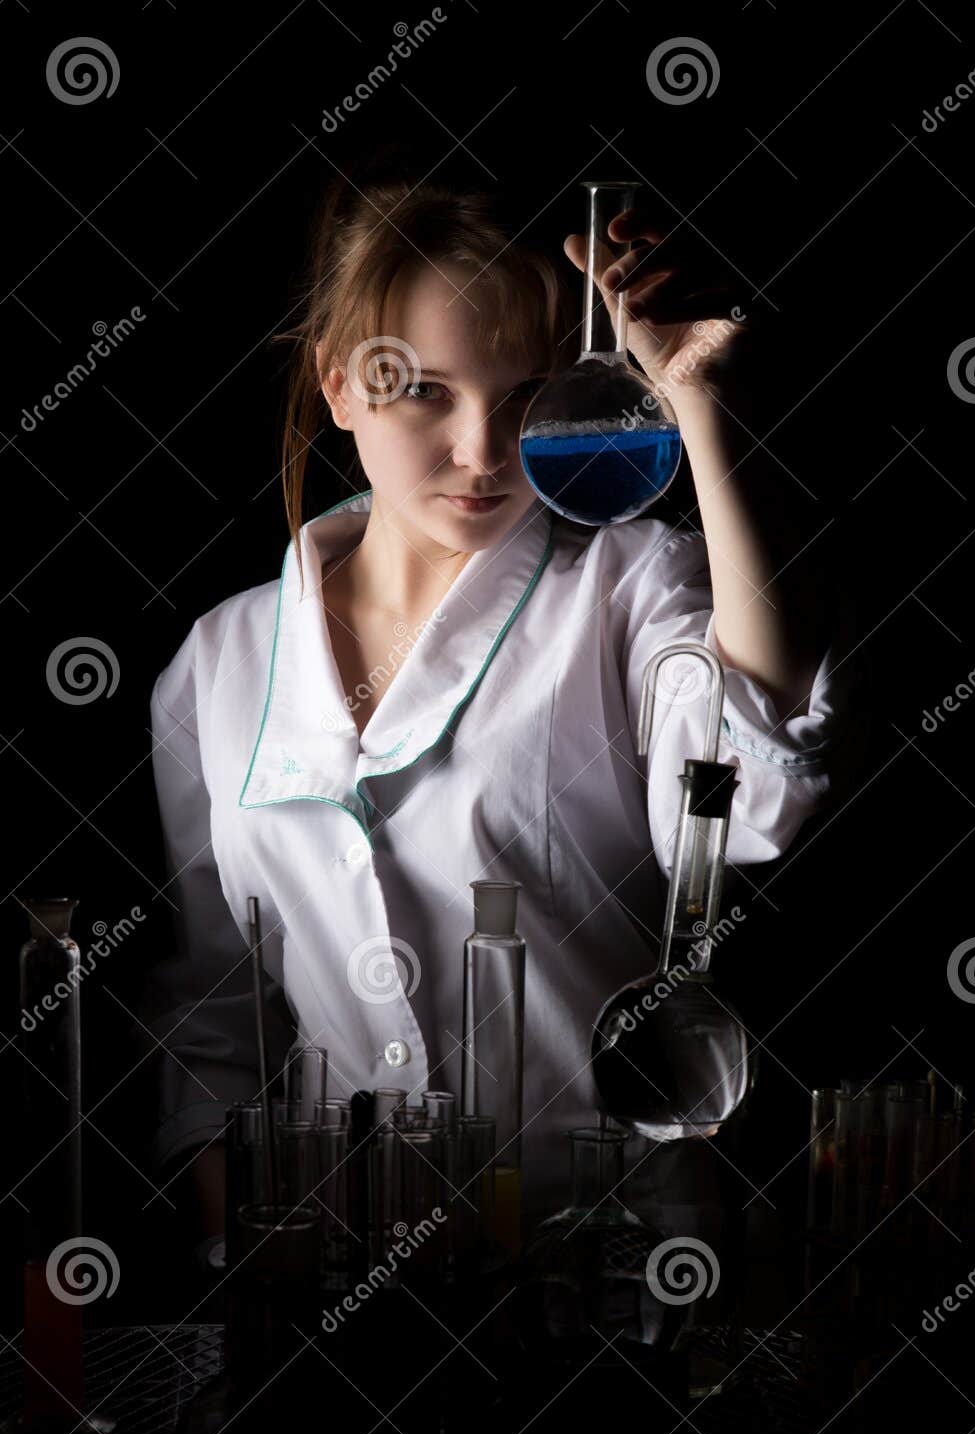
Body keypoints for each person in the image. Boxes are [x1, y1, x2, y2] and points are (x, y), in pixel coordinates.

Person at [144, 146, 864, 1251]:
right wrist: (243, 1276)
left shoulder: (626, 586)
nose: (480, 452)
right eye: (422, 391)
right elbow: (213, 1018)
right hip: (338, 1281)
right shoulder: (220, 660)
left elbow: (755, 790)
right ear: (338, 381)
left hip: (610, 1269)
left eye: (523, 396)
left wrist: (697, 399)